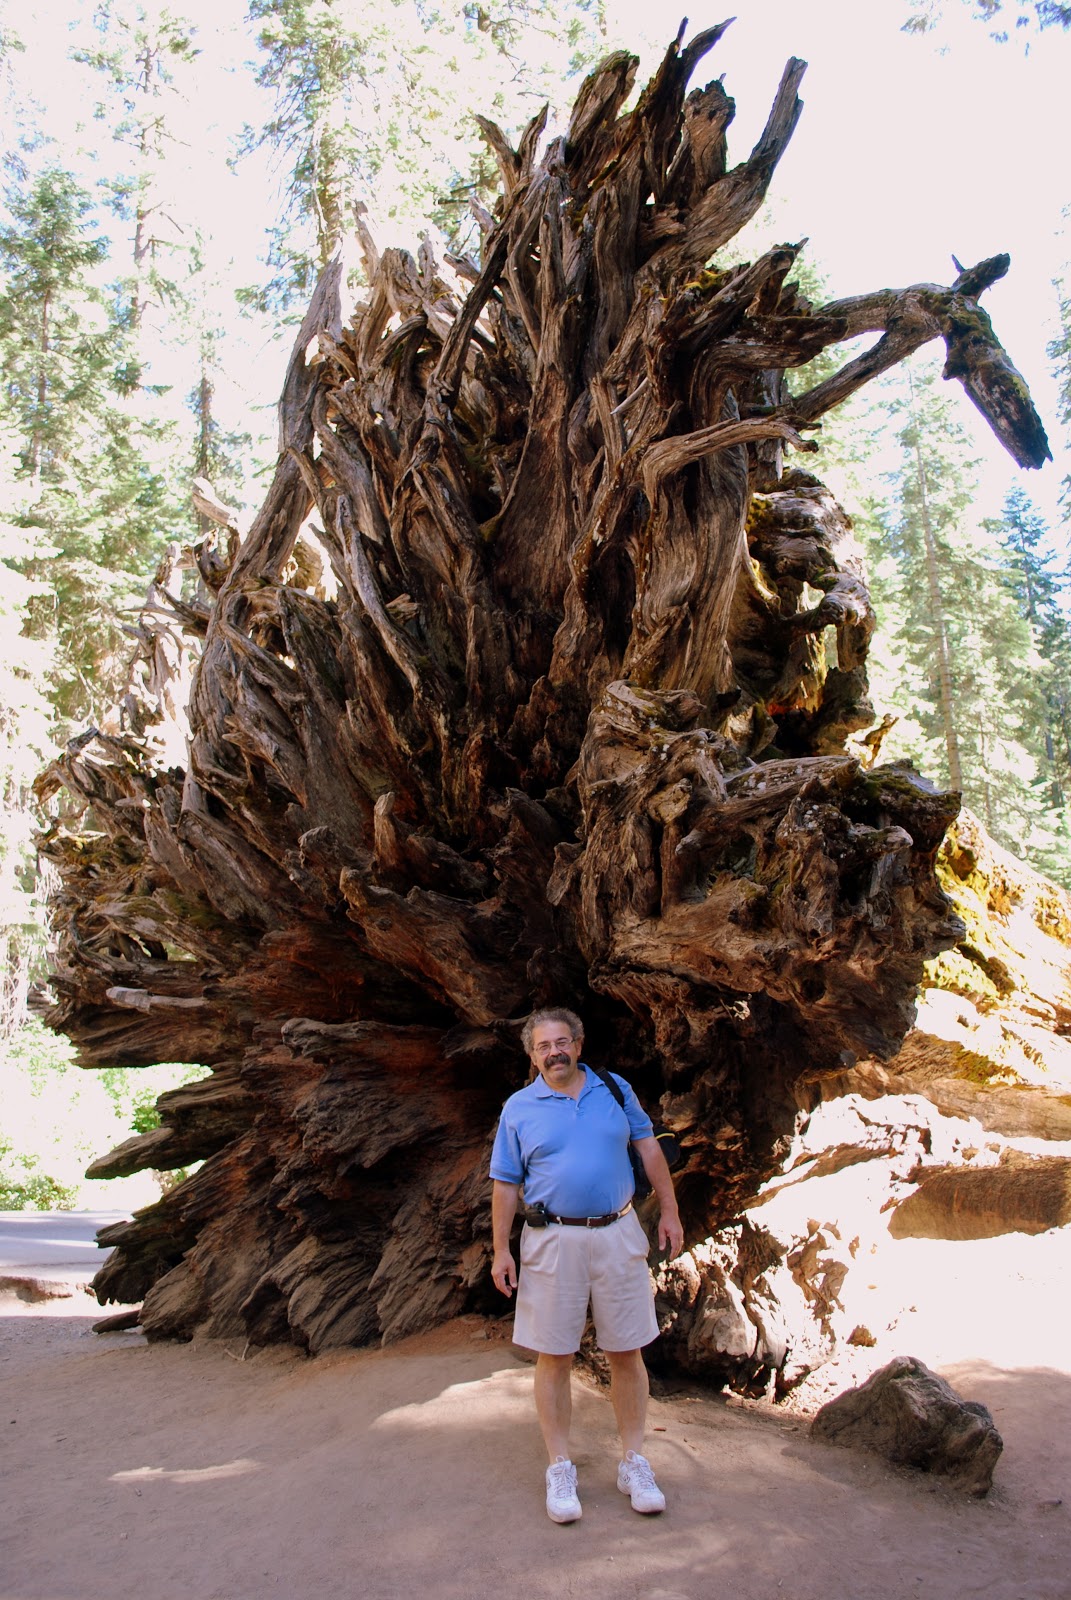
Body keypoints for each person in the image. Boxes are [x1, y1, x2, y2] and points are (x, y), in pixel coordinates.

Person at [489, 1005, 684, 1524]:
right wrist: (500, 1250)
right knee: (554, 1355)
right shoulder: (519, 1108)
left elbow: (648, 1148)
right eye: (542, 1046)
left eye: (561, 1042)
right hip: (553, 1240)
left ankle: (635, 1461)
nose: (554, 1053)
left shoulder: (613, 1089)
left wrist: (669, 1211)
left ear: (578, 1043)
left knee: (627, 1349)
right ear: (532, 1056)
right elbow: (506, 1183)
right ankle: (559, 1466)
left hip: (619, 1232)